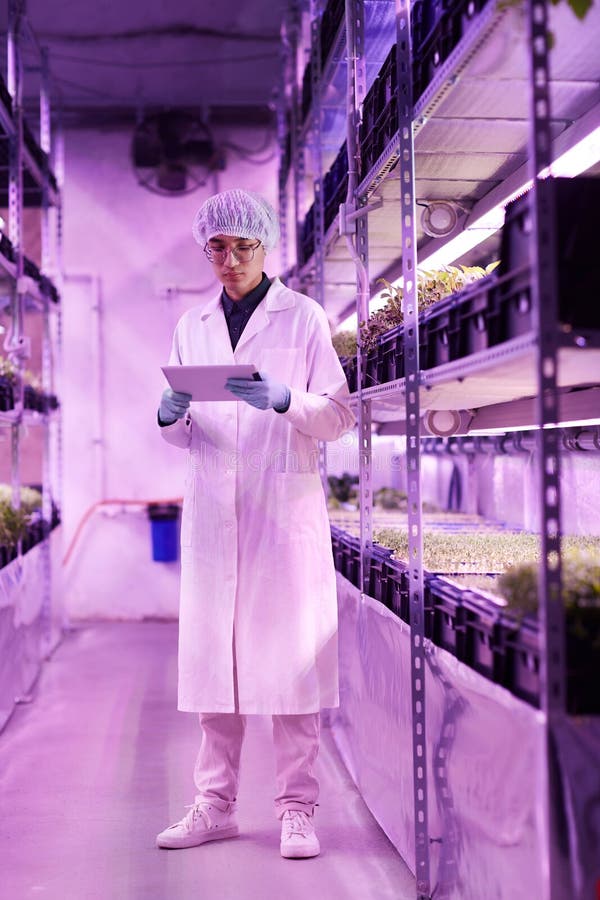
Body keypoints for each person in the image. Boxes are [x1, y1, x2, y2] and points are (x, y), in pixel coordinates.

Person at [155, 188, 355, 859]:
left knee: (293, 674)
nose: (230, 258)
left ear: (264, 247)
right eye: (218, 246)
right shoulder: (192, 324)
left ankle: (298, 811)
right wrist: (169, 416)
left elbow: (337, 417)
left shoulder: (301, 319)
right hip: (215, 518)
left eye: (243, 245)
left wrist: (286, 399)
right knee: (218, 672)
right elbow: (190, 437)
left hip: (282, 516)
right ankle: (214, 806)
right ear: (206, 248)